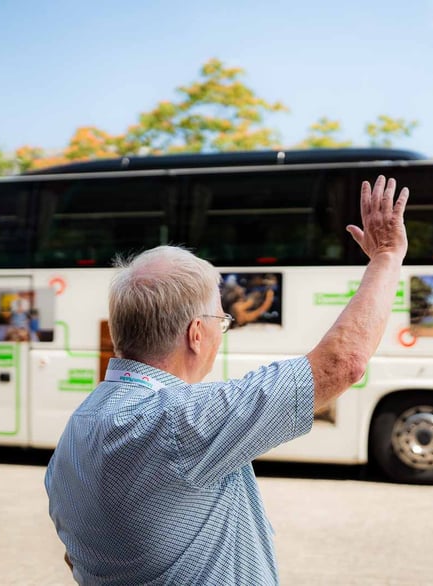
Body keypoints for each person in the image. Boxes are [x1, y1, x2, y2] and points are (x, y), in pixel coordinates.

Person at [44, 175, 409, 585]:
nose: (224, 330)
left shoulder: (75, 433)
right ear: (196, 334)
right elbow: (342, 363)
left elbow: (78, 559)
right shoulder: (179, 424)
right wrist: (387, 257)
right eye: (222, 319)